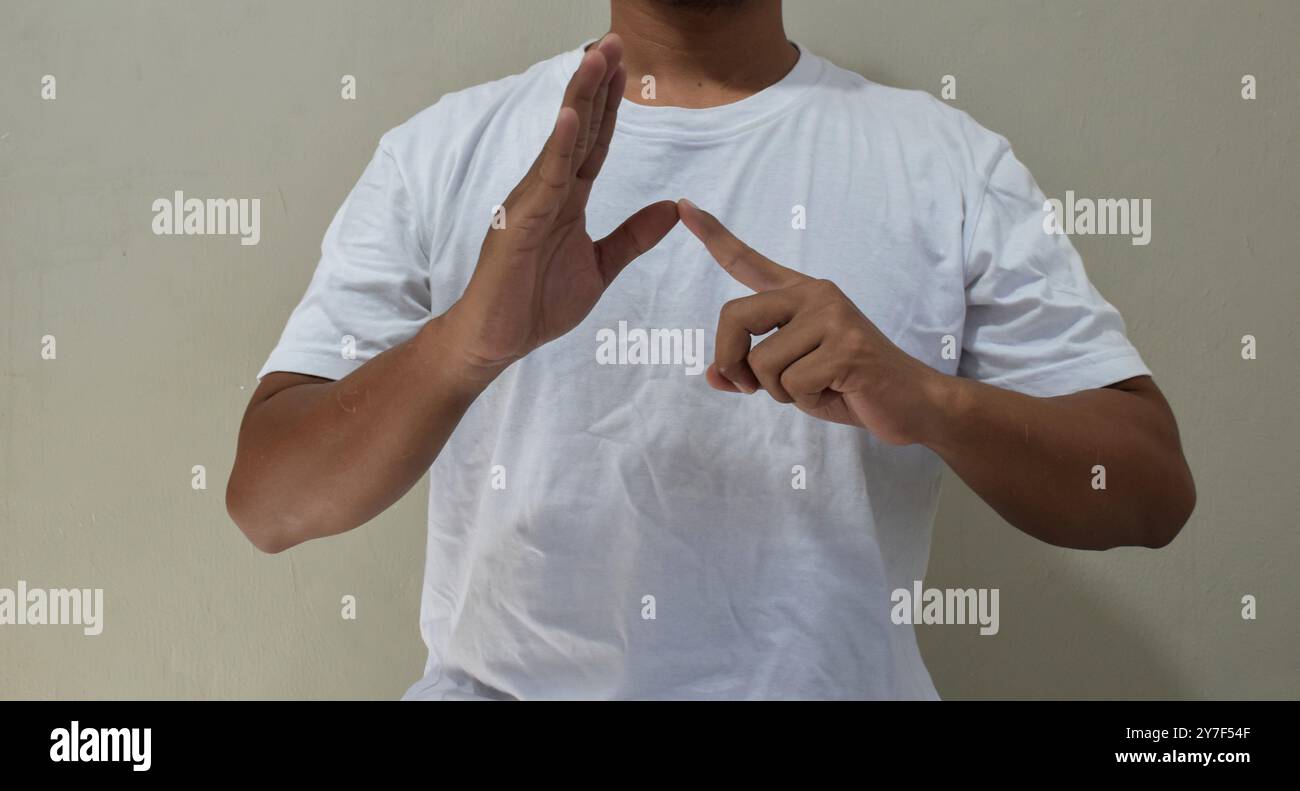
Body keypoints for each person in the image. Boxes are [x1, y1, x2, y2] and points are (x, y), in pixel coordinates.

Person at [226, 0, 1195, 699]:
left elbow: (1149, 485)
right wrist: (464, 344)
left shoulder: (943, 162)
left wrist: (930, 399)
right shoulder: (442, 153)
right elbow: (269, 499)